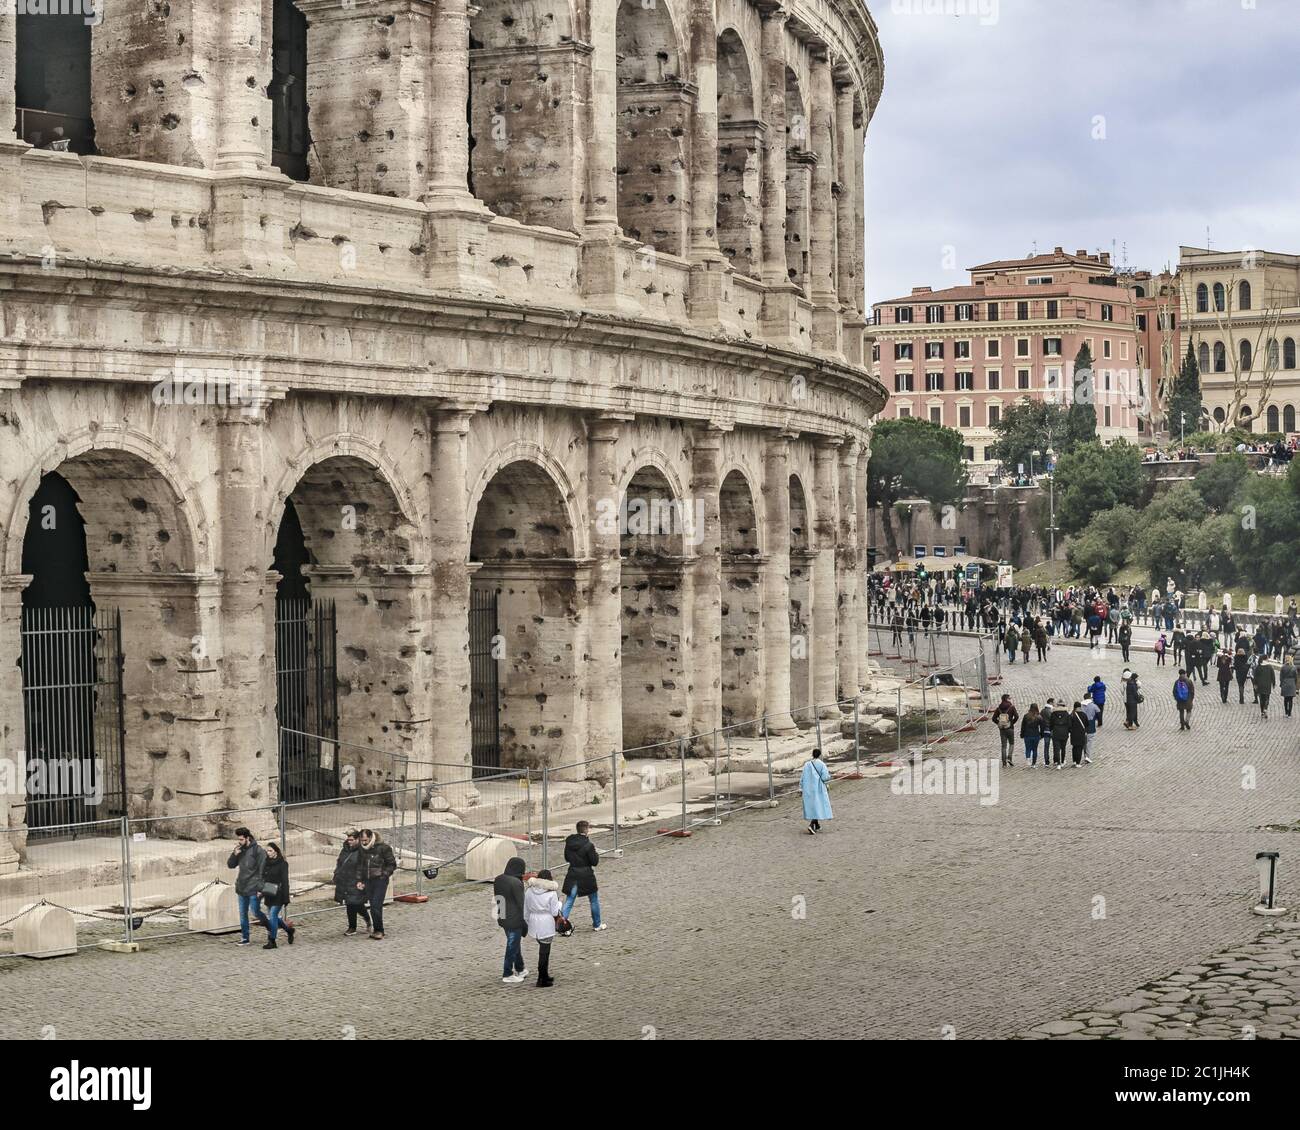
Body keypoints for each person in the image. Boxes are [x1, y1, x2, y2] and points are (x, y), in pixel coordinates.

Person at [226, 826, 270, 947]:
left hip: (254, 887)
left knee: (255, 911)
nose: (239, 842)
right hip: (241, 886)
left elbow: (263, 870)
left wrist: (261, 888)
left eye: (241, 839)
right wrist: (234, 855)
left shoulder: (258, 851)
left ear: (247, 838)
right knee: (242, 914)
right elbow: (230, 865)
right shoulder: (239, 849)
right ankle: (245, 938)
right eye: (238, 839)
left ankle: (270, 926)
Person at [560, 820, 606, 929]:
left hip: (573, 873)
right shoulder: (589, 845)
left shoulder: (569, 842)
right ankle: (597, 924)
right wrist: (595, 854)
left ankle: (561, 924)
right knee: (593, 900)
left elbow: (567, 858)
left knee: (570, 900)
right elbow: (594, 862)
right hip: (586, 875)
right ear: (586, 830)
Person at [523, 869, 562, 988]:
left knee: (542, 950)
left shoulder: (529, 891)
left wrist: (528, 921)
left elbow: (526, 910)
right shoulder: (552, 893)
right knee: (544, 952)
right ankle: (541, 978)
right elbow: (555, 912)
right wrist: (560, 904)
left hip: (534, 922)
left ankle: (544, 975)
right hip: (546, 923)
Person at [355, 828, 396, 940]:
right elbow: (360, 866)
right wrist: (359, 880)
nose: (363, 843)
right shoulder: (362, 850)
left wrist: (384, 875)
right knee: (372, 905)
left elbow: (392, 864)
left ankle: (379, 930)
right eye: (362, 840)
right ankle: (376, 929)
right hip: (368, 881)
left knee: (376, 906)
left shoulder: (384, 848)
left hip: (380, 881)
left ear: (371, 838)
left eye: (365, 840)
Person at [494, 856, 528, 984]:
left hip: (503, 916)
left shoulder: (498, 879)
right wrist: (525, 921)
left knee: (514, 944)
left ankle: (520, 968)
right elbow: (521, 903)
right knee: (512, 946)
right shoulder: (516, 883)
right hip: (515, 919)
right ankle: (507, 973)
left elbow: (498, 898)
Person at [333, 829, 371, 937]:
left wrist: (362, 881)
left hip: (356, 881)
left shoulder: (362, 851)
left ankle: (366, 919)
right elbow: (340, 863)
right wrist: (336, 874)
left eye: (352, 840)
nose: (349, 842)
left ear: (357, 839)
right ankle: (352, 927)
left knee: (356, 903)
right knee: (350, 904)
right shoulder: (345, 850)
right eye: (348, 839)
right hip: (345, 880)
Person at [259, 842, 295, 949]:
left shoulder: (283, 864)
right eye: (267, 851)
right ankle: (289, 930)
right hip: (269, 892)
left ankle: (272, 940)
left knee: (273, 915)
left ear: (276, 851)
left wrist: (286, 897)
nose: (268, 853)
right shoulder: (266, 862)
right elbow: (263, 878)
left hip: (279, 893)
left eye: (270, 851)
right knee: (274, 916)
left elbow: (285, 881)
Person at [800, 748, 833, 833]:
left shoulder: (807, 764)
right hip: (818, 789)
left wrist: (801, 787)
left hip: (808, 789)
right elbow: (824, 777)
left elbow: (802, 777)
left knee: (813, 806)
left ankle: (817, 825)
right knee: (818, 806)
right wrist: (830, 777)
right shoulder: (822, 764)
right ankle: (811, 825)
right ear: (820, 755)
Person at [992, 694, 1018, 768]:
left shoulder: (998, 708)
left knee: (1003, 746)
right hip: (1010, 728)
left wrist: (999, 723)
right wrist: (1012, 722)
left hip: (1002, 729)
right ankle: (1009, 758)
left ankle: (1004, 763)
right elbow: (1017, 716)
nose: (1010, 699)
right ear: (1007, 699)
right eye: (1009, 698)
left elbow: (993, 718)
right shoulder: (1011, 707)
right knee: (1011, 743)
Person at [1048, 699, 1072, 768]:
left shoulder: (1053, 713)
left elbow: (1051, 723)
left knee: (1057, 748)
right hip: (1064, 732)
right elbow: (1069, 724)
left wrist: (1051, 729)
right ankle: (1062, 761)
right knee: (1063, 748)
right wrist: (1069, 731)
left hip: (1056, 732)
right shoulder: (1067, 713)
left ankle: (1058, 763)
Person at [1079, 692, 1099, 764]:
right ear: (1090, 698)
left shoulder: (1081, 706)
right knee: (1089, 741)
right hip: (1090, 724)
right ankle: (1087, 756)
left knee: (1084, 741)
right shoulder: (1093, 705)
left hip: (1082, 725)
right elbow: (1098, 711)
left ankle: (1084, 755)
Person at [1069, 702, 1088, 767]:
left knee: (1074, 748)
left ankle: (1074, 761)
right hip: (1081, 734)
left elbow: (1069, 725)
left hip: (1074, 734)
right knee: (1079, 748)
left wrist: (1071, 731)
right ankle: (1078, 763)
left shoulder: (1072, 715)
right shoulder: (1084, 715)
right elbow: (1087, 724)